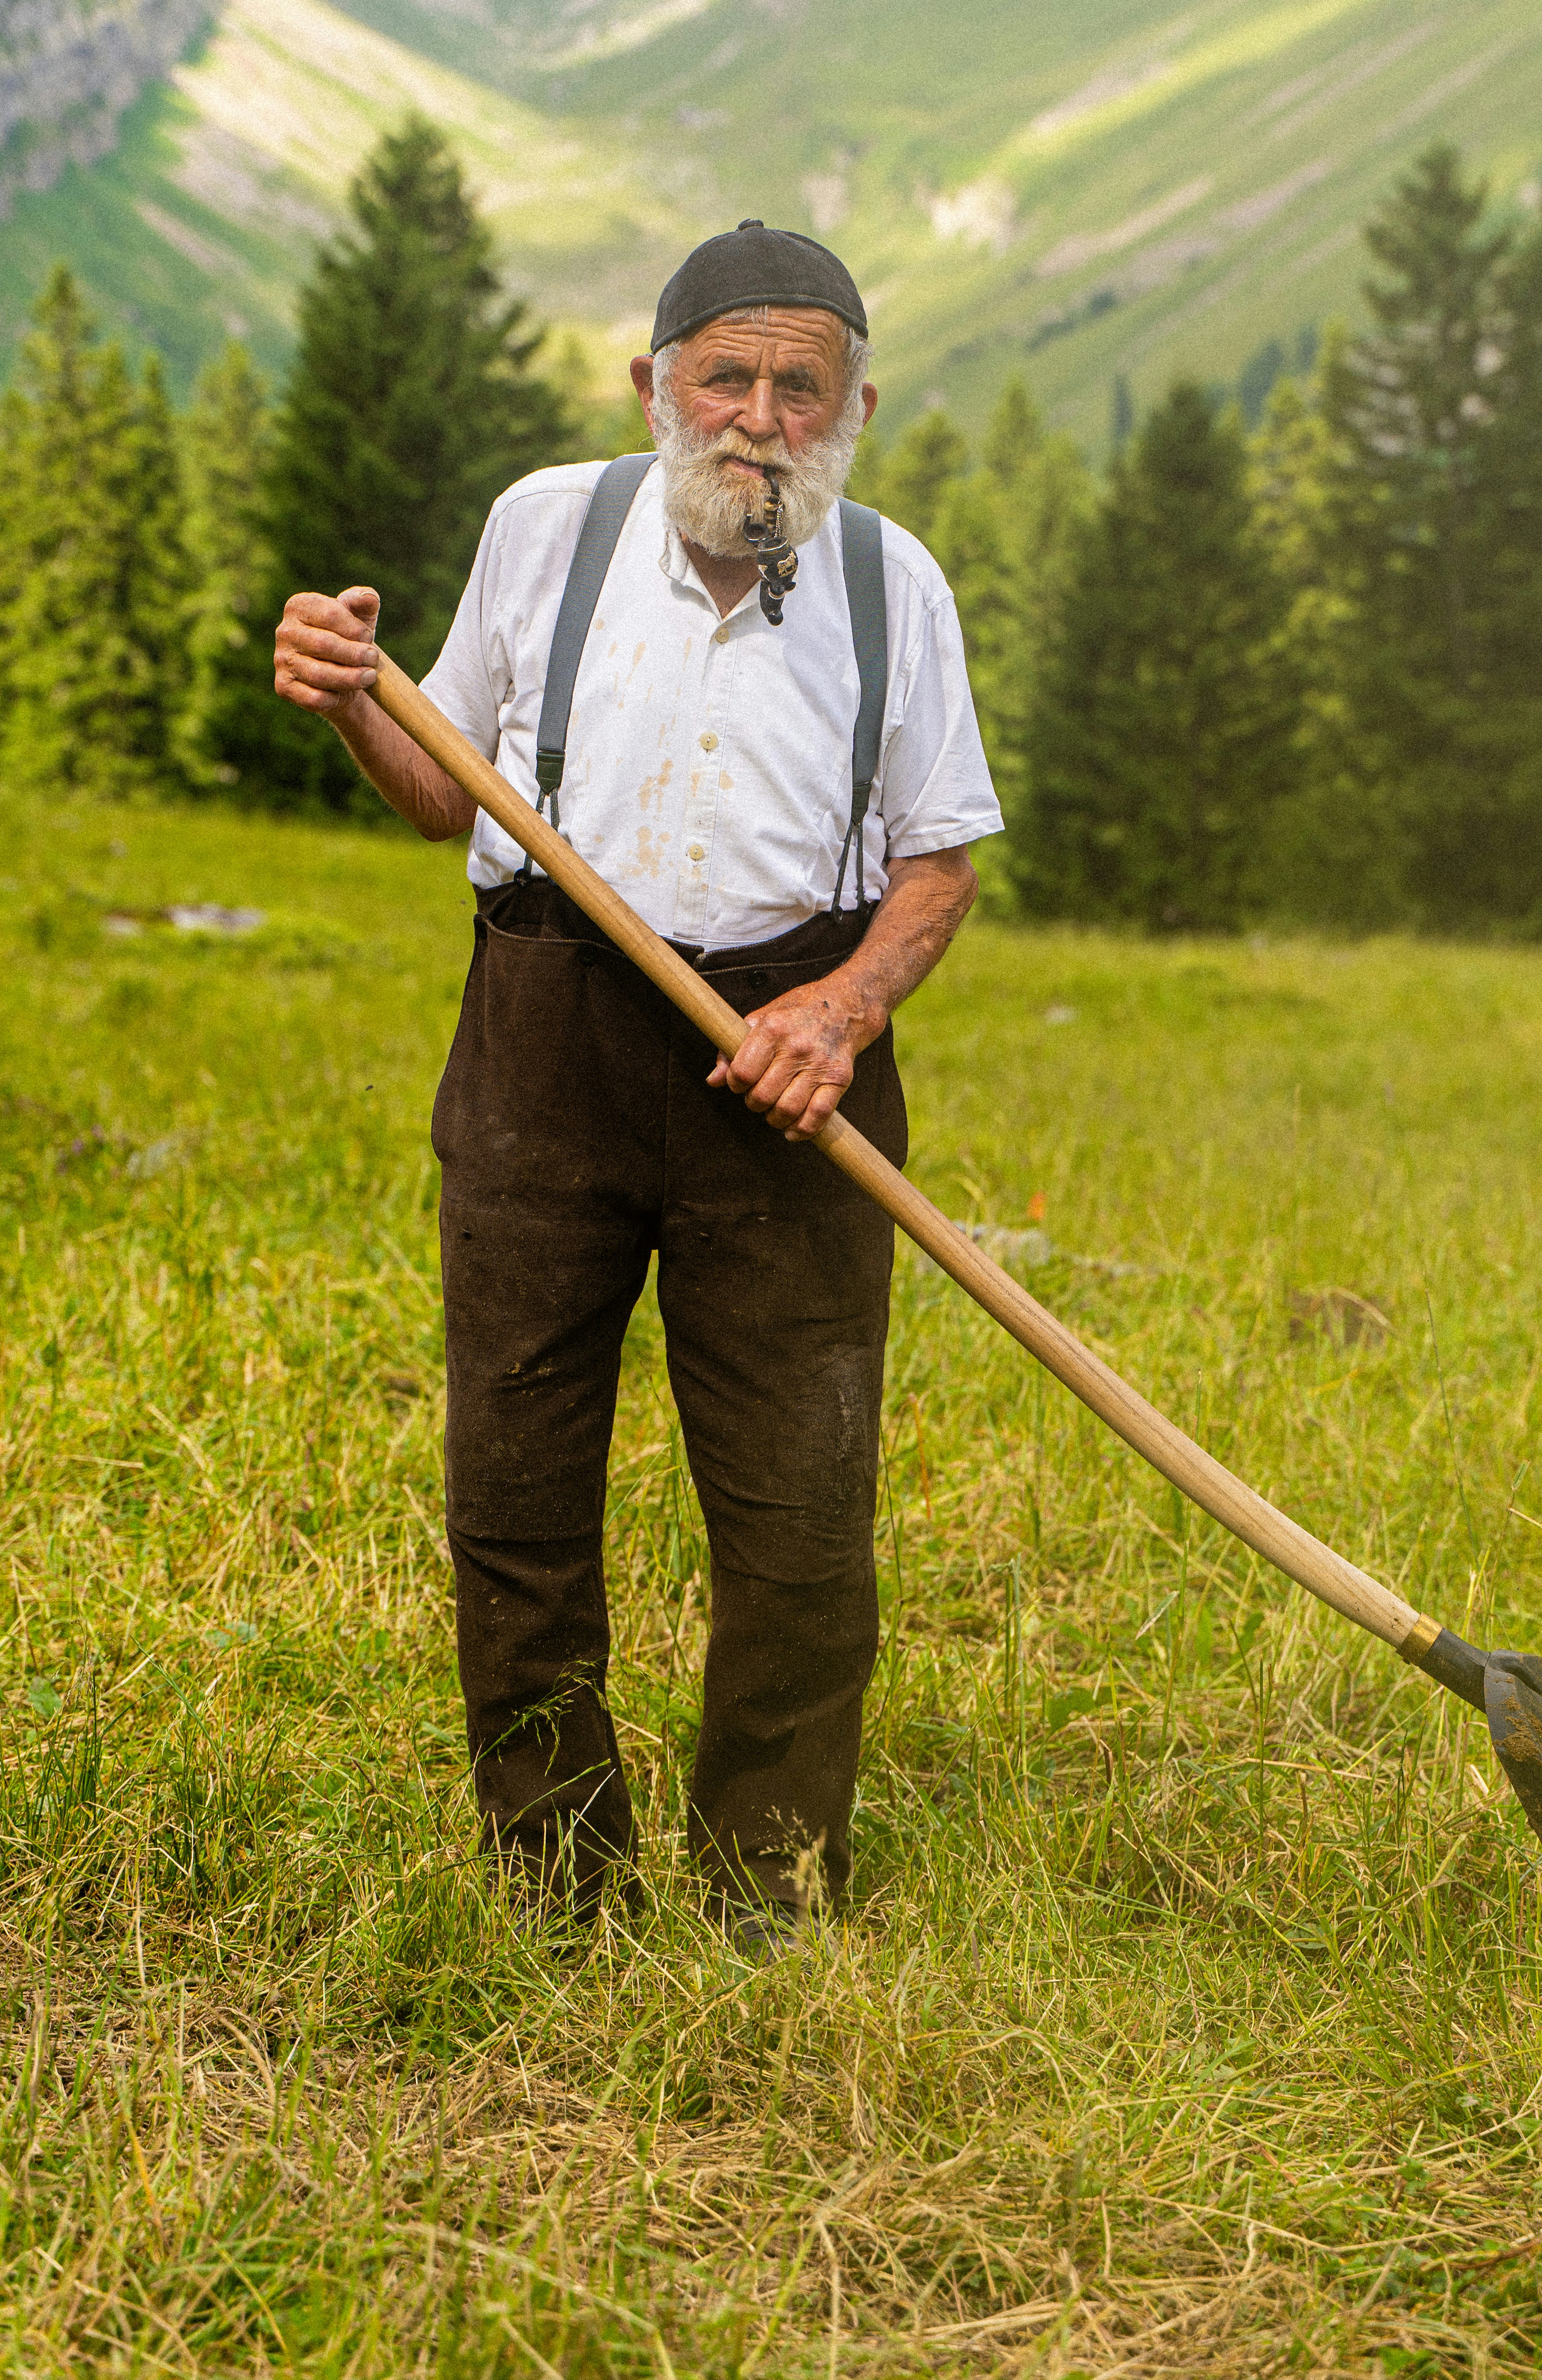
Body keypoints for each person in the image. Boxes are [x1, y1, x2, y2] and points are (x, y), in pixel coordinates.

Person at [273, 219, 1002, 1946]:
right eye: (725, 377)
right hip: (544, 1047)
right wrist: (348, 698)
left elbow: (941, 867)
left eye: (798, 388)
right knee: (517, 1484)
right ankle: (556, 1872)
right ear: (654, 386)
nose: (758, 418)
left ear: (855, 409)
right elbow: (443, 789)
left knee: (799, 1510)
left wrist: (840, 1010)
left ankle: (769, 1873)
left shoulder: (900, 588)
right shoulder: (547, 529)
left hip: (785, 1074)